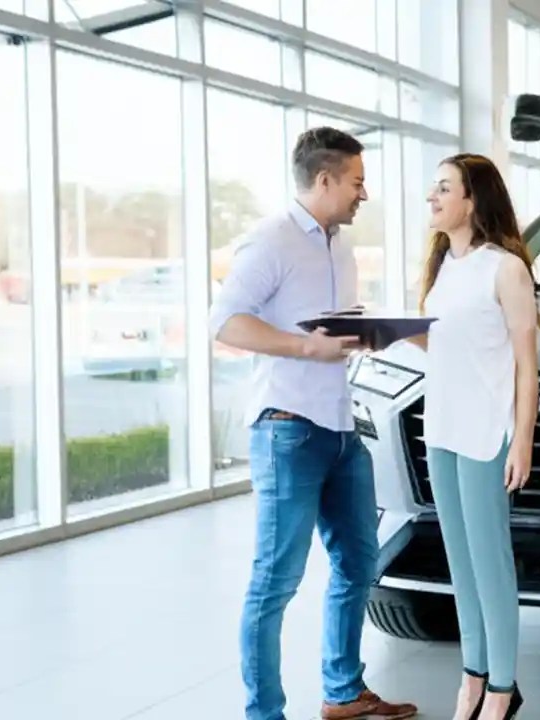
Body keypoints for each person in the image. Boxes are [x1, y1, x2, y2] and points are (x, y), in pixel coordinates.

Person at [209, 127, 419, 720]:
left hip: (339, 428)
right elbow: (225, 323)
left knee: (360, 562)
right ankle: (264, 714)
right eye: (356, 182)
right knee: (275, 581)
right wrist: (305, 350)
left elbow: (323, 327)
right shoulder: (270, 241)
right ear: (324, 180)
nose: (364, 194)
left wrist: (365, 329)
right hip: (287, 430)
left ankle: (343, 692)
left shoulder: (340, 245)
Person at [407, 153, 540, 720]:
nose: (432, 198)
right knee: (459, 564)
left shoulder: (505, 269)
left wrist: (523, 442)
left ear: (473, 199)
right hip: (441, 427)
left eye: (443, 188)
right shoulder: (444, 268)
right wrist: (389, 334)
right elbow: (447, 347)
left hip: (488, 431)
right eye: (432, 189)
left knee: (491, 562)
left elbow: (527, 365)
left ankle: (504, 690)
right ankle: (473, 679)